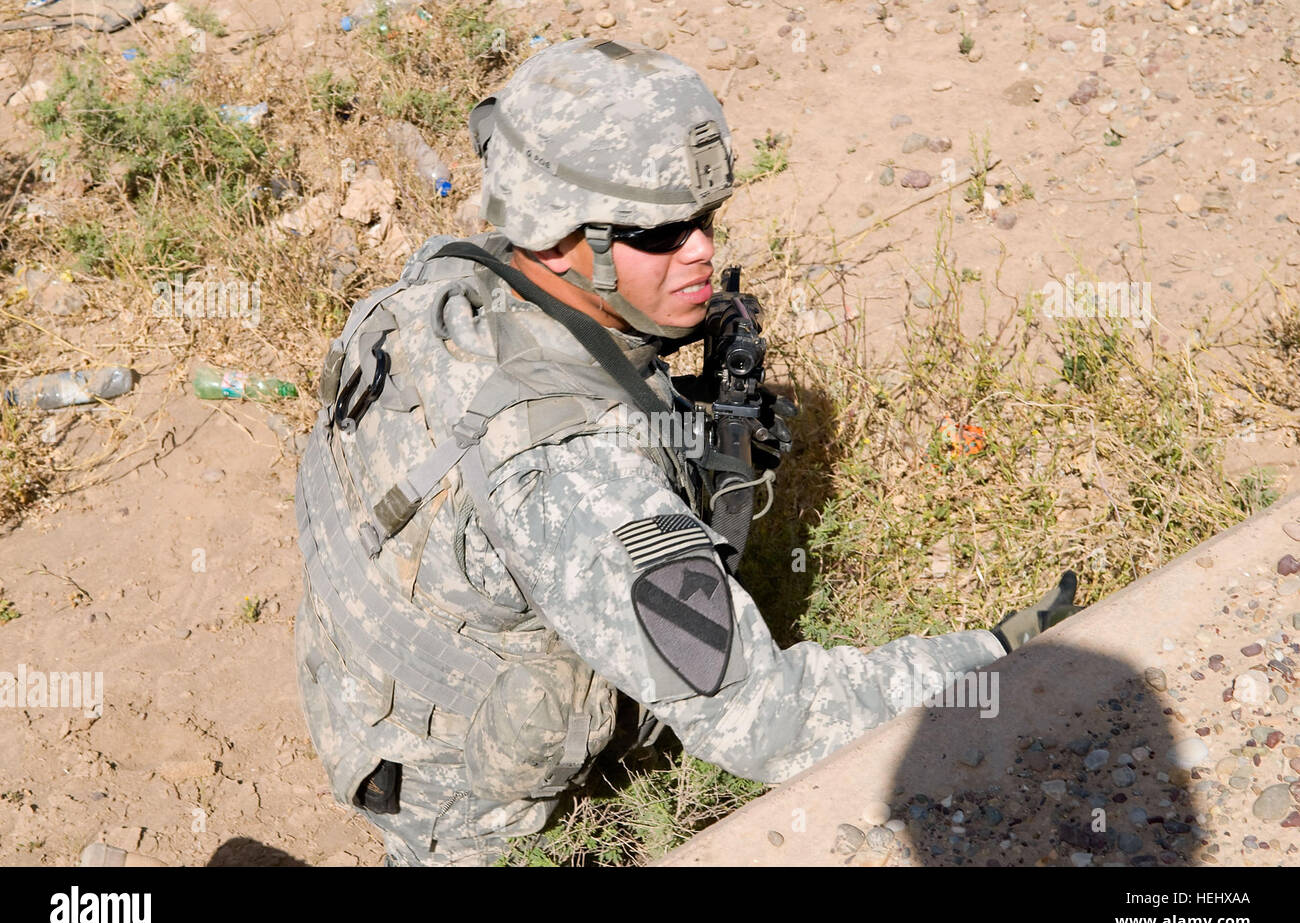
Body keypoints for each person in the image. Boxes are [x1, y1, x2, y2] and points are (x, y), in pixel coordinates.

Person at [292, 37, 1079, 866]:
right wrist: (990, 663)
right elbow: (769, 721)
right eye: (660, 233)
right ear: (561, 239)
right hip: (460, 808)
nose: (699, 250)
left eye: (703, 221)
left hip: (364, 698)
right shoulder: (577, 479)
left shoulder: (435, 289)